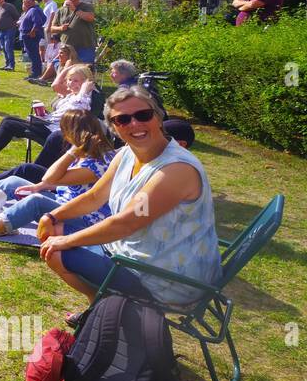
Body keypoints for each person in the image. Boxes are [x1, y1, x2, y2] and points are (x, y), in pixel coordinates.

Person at [36, 86, 221, 307]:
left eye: (143, 115)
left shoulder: (175, 169)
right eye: (122, 120)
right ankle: (101, 304)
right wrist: (52, 216)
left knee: (55, 252)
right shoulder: (126, 154)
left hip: (167, 278)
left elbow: (125, 224)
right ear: (113, 128)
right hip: (135, 253)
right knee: (55, 232)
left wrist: (64, 241)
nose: (134, 124)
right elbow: (95, 196)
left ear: (159, 117)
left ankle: (98, 302)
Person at [0, 110, 115, 245]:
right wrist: (38, 187)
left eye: (65, 131)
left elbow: (50, 178)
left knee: (35, 201)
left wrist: (72, 152)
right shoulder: (93, 156)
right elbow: (51, 183)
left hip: (84, 219)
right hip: (68, 204)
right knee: (15, 182)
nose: (63, 136)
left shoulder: (96, 164)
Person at [0, 63, 96, 171]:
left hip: (58, 136)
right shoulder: (74, 95)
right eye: (70, 80)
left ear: (86, 82)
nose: (71, 84)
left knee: (9, 125)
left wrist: (83, 89)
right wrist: (44, 115)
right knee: (8, 120)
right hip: (50, 126)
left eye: (76, 81)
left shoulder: (86, 97)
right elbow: (61, 114)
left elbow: (80, 108)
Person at [49, 0, 96, 65]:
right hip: (67, 47)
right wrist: (60, 28)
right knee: (64, 67)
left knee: (85, 68)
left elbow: (90, 18)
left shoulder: (86, 6)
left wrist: (74, 9)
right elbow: (52, 28)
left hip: (85, 46)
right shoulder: (61, 11)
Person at [18, 0, 47, 80]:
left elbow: (38, 22)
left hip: (31, 36)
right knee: (33, 54)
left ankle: (36, 73)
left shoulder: (34, 10)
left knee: (33, 54)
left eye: (25, 2)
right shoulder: (33, 10)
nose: (24, 3)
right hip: (28, 35)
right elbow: (44, 18)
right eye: (23, 2)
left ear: (31, 1)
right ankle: (35, 72)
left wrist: (33, 31)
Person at [0, 0, 20, 71]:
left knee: (8, 47)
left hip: (9, 30)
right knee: (3, 48)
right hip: (0, 31)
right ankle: (7, 64)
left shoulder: (9, 6)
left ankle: (11, 65)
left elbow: (16, 17)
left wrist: (13, 26)